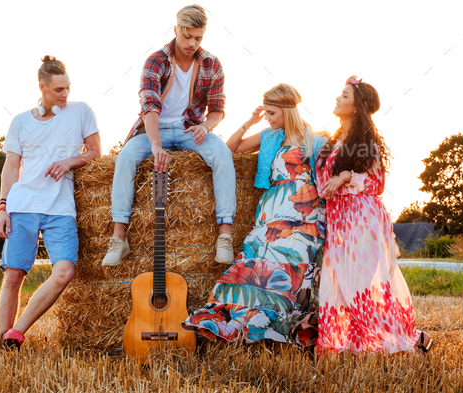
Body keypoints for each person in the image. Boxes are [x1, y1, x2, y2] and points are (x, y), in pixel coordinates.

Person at [182, 84, 329, 348]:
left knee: (294, 266)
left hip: (305, 211)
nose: (269, 118)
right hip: (271, 210)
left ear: (287, 110)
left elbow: (326, 180)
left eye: (272, 112)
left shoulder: (315, 140)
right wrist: (250, 121)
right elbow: (231, 148)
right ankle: (242, 321)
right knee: (253, 262)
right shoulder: (270, 136)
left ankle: (284, 327)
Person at [102, 4, 237, 267]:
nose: (192, 43)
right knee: (126, 156)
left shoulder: (211, 63)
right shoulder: (156, 60)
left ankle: (225, 235)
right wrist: (155, 145)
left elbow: (218, 110)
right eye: (187, 36)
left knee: (222, 154)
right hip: (154, 130)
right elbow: (149, 107)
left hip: (190, 130)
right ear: (176, 30)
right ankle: (119, 238)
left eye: (198, 37)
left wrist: (205, 127)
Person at [316, 75, 433, 355]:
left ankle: (413, 338)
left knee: (362, 285)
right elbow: (323, 186)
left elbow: (376, 184)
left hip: (361, 217)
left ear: (357, 106)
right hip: (339, 220)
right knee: (341, 283)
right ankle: (355, 342)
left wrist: (345, 175)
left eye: (344, 95)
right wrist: (335, 179)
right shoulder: (330, 143)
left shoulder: (366, 143)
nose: (337, 98)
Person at [0, 55, 101, 350]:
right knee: (14, 274)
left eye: (68, 88)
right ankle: (4, 340)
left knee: (65, 271)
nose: (65, 94)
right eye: (58, 90)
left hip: (60, 208)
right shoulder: (20, 121)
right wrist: (2, 207)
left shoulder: (81, 111)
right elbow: (11, 166)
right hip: (23, 204)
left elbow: (95, 152)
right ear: (42, 87)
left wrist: (69, 161)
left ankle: (17, 331)